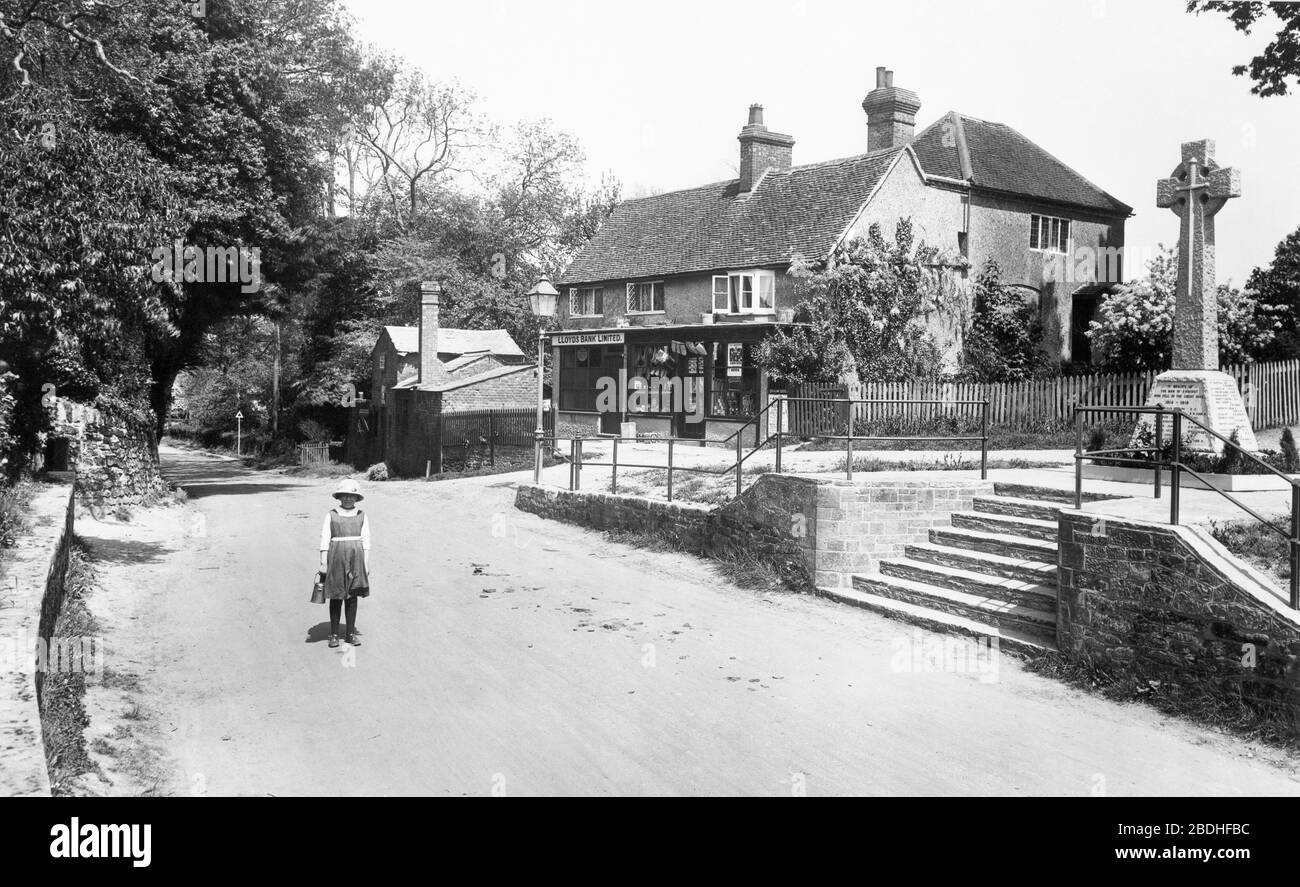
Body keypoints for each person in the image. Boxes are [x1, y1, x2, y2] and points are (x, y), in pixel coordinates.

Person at [319, 478, 370, 648]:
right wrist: (323, 562)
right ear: (339, 497)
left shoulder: (362, 515)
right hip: (336, 557)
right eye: (345, 496)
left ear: (357, 498)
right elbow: (325, 538)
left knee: (352, 595)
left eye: (352, 496)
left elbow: (366, 541)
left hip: (356, 558)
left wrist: (366, 564)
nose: (348, 499)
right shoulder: (331, 515)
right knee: (337, 594)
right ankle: (334, 634)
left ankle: (349, 633)